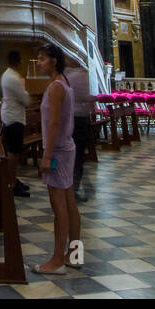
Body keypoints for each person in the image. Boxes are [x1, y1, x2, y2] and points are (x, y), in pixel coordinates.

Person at [32, 42, 80, 275]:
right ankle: (75, 254)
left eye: (42, 58)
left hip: (58, 151)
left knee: (58, 204)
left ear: (53, 60)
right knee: (70, 203)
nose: (39, 63)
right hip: (66, 148)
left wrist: (46, 155)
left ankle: (57, 261)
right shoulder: (64, 82)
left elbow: (53, 123)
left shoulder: (55, 87)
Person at [0, 50, 32, 198]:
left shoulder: (8, 75)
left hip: (11, 116)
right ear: (18, 61)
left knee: (14, 152)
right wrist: (26, 94)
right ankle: (11, 184)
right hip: (14, 118)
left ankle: (13, 179)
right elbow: (25, 100)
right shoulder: (12, 77)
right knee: (13, 153)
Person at [65, 60, 94, 203]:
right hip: (78, 120)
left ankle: (71, 189)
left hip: (73, 119)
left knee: (76, 157)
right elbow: (84, 97)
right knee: (77, 157)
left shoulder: (70, 75)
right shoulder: (80, 75)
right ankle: (72, 190)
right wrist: (94, 98)